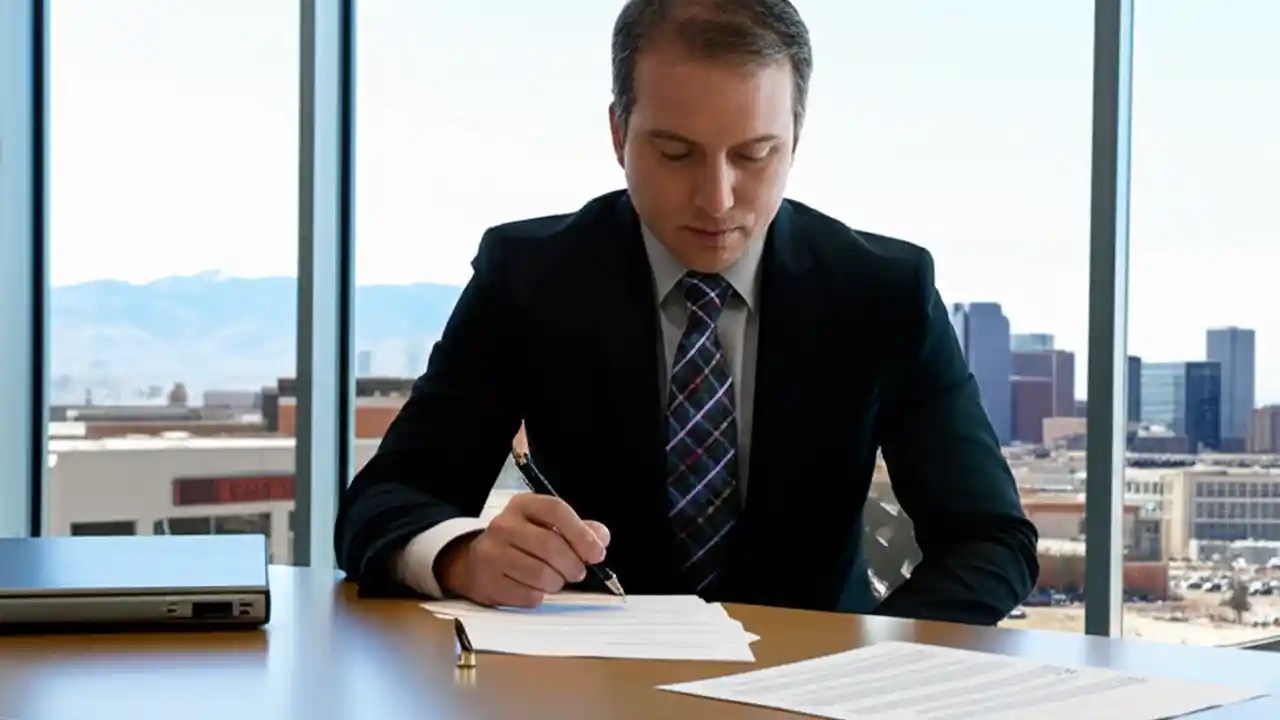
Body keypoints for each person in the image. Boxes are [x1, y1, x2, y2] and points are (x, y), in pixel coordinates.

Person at [335, 0, 1038, 626]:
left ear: (796, 138)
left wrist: (870, 673)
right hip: (587, 689)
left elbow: (991, 541)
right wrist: (461, 554)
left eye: (754, 155)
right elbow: (385, 501)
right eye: (676, 154)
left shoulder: (883, 291)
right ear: (618, 133)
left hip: (818, 690)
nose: (717, 199)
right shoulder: (530, 278)